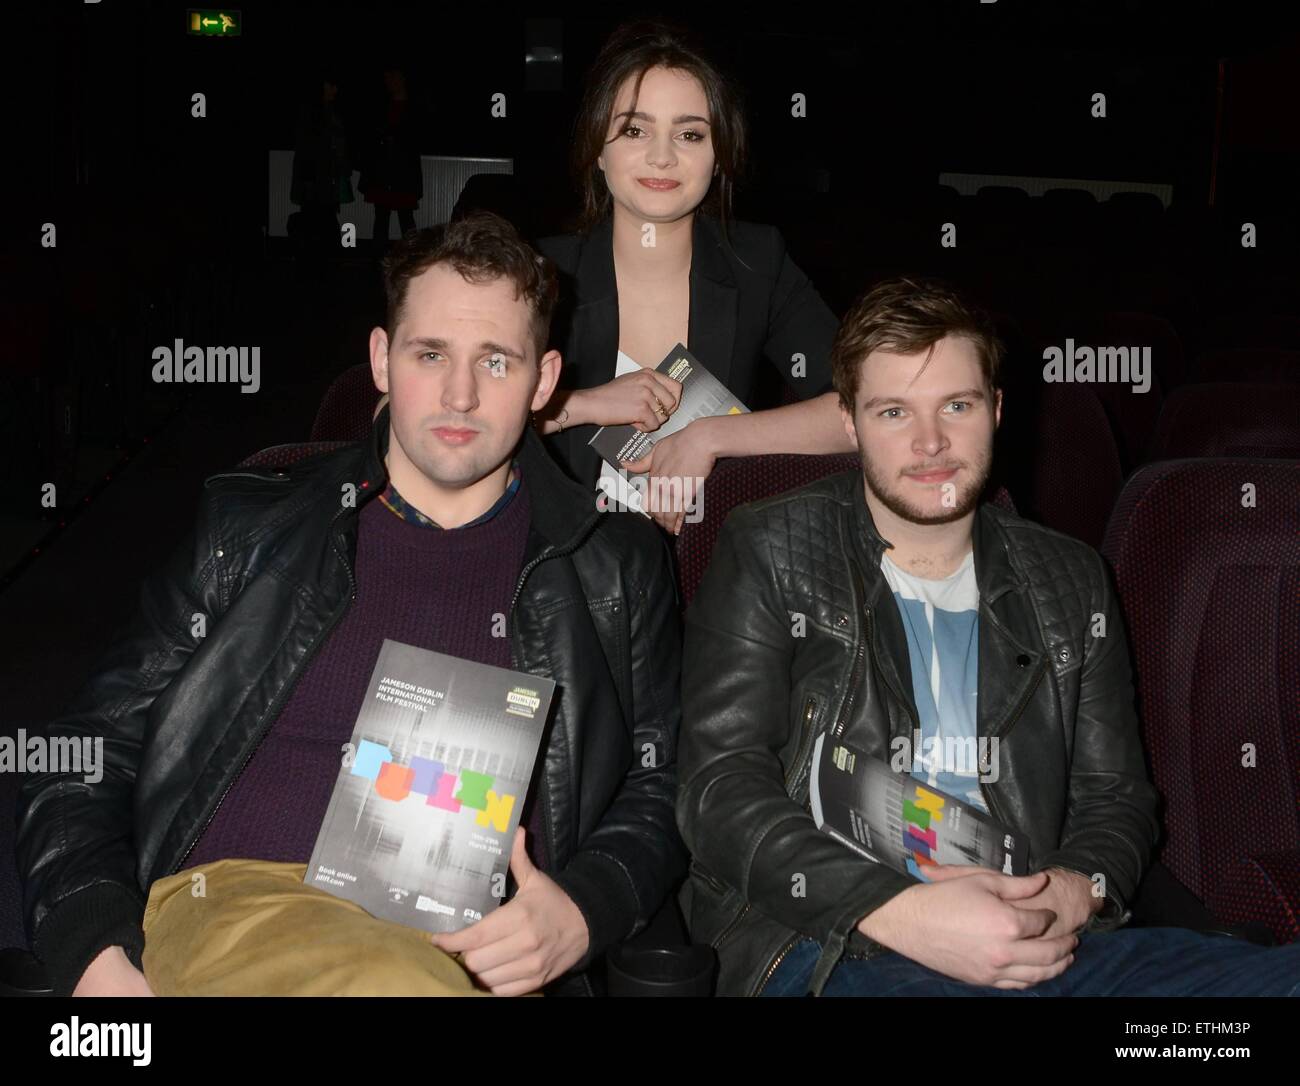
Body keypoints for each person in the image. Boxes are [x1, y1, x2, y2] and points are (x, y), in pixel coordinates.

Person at [14, 211, 685, 998]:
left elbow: (671, 779)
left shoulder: (613, 566)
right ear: (381, 360)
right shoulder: (251, 530)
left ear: (543, 381)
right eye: (430, 354)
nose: (460, 394)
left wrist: (584, 905)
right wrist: (93, 952)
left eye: (495, 362)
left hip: (471, 941)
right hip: (242, 906)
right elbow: (84, 753)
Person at [676, 275, 1300, 996]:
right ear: (849, 425)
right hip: (834, 941)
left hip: (1039, 937)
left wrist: (1071, 891)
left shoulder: (1071, 578)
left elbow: (1117, 798)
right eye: (892, 412)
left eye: (957, 405)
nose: (931, 441)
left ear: (997, 410)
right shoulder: (770, 548)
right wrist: (895, 909)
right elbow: (718, 790)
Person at [534, 20, 856, 535]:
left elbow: (867, 410)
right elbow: (433, 416)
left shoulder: (758, 262)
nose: (662, 156)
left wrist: (710, 438)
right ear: (598, 148)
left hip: (704, 556)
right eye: (635, 130)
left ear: (719, 155)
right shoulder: (539, 272)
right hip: (562, 561)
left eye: (689, 134)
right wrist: (580, 405)